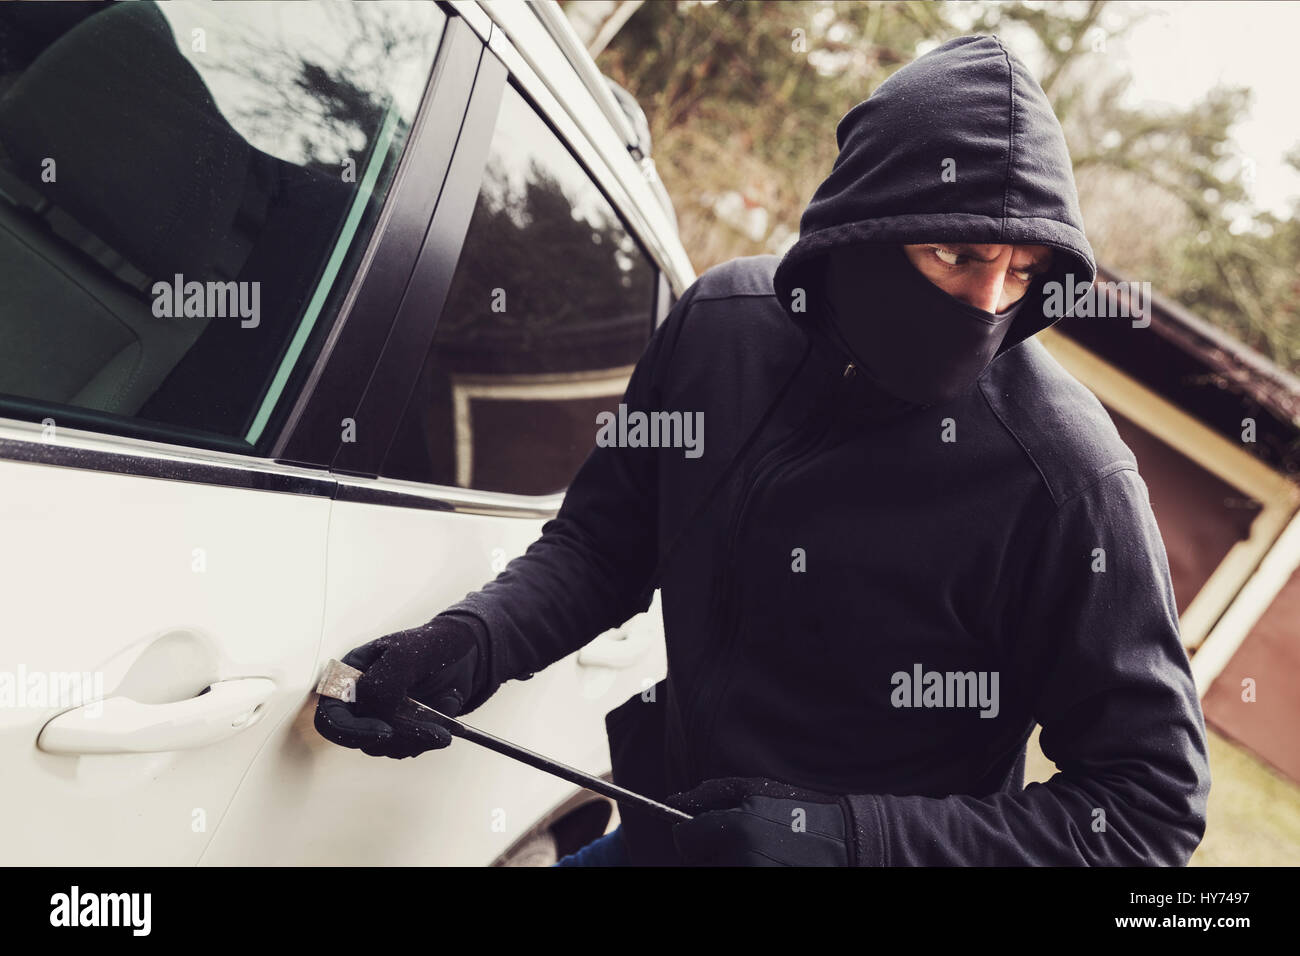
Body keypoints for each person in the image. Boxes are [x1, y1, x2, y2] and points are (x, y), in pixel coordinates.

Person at [315, 34, 1211, 867]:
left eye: (1020, 274)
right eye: (955, 253)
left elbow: (1149, 806)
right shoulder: (718, 328)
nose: (986, 305)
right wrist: (472, 645)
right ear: (864, 222)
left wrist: (849, 842)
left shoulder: (1070, 481)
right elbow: (603, 546)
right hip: (667, 838)